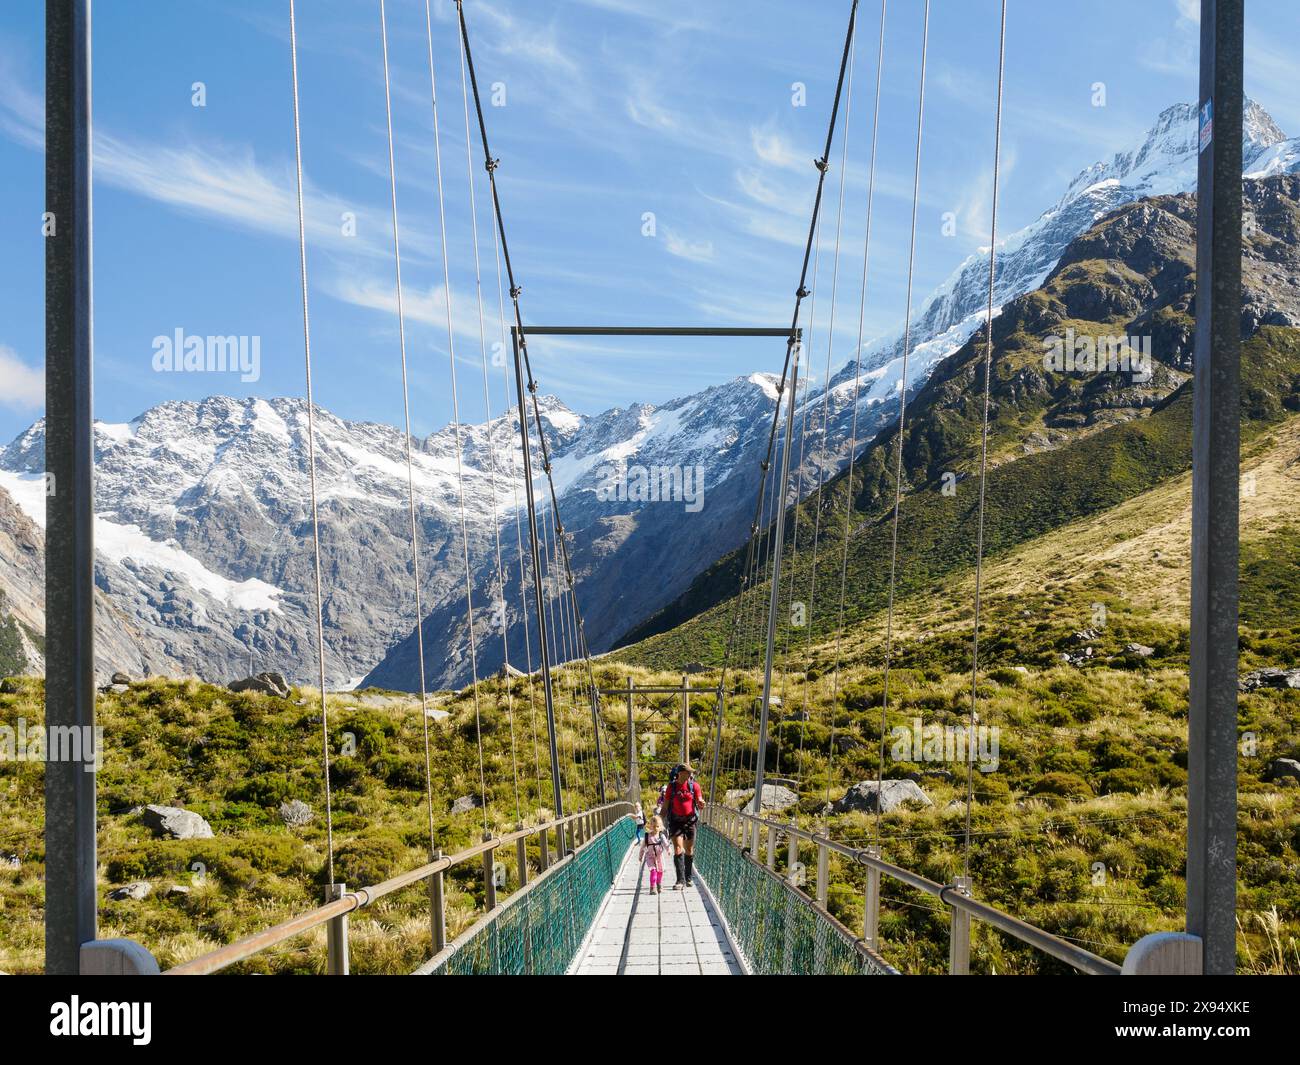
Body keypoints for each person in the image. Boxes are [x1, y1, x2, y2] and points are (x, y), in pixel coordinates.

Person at [661, 763, 702, 889]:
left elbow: (699, 799)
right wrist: (658, 821)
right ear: (680, 773)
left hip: (690, 821)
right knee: (678, 848)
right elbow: (666, 805)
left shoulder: (694, 786)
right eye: (688, 772)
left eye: (691, 772)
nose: (690, 774)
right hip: (675, 821)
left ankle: (688, 877)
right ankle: (680, 880)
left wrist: (701, 802)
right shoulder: (671, 787)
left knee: (689, 850)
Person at [638, 815, 669, 894]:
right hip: (650, 857)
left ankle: (659, 884)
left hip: (659, 857)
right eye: (654, 826)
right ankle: (652, 887)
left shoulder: (661, 835)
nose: (655, 828)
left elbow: (665, 844)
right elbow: (642, 847)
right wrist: (640, 856)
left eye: (657, 826)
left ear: (660, 827)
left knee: (660, 872)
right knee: (653, 871)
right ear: (650, 826)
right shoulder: (647, 836)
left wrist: (668, 850)